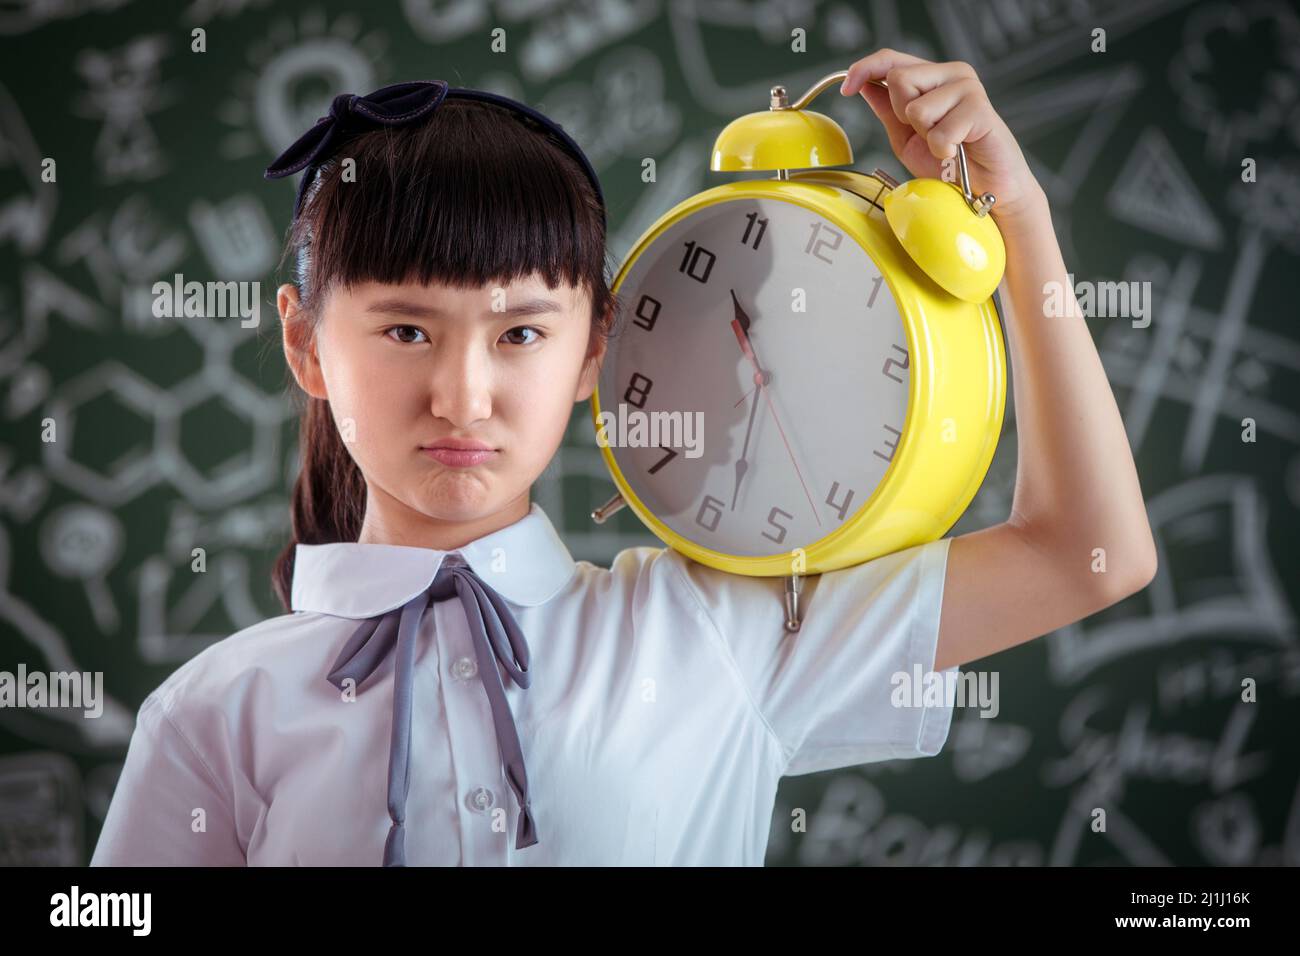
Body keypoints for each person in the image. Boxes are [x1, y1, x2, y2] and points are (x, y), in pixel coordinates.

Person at [90, 50, 1156, 867]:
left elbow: (1088, 552)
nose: (463, 393)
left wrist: (1016, 220)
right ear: (303, 341)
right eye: (407, 330)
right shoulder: (211, 710)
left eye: (520, 333)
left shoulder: (725, 634)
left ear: (598, 348)